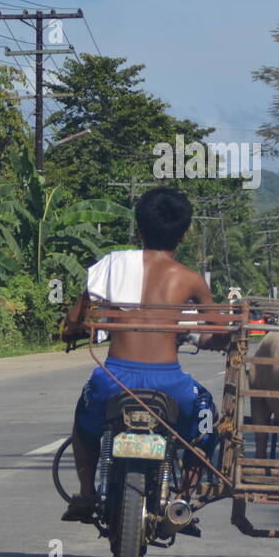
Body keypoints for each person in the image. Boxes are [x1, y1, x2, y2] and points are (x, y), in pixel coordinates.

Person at [59, 187, 230, 523]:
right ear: (182, 234)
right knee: (207, 421)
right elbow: (219, 332)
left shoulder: (109, 265)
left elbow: (75, 319)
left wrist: (71, 330)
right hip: (170, 386)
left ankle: (87, 492)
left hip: (112, 380)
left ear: (138, 229)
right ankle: (182, 501)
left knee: (83, 421)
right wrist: (204, 338)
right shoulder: (190, 279)